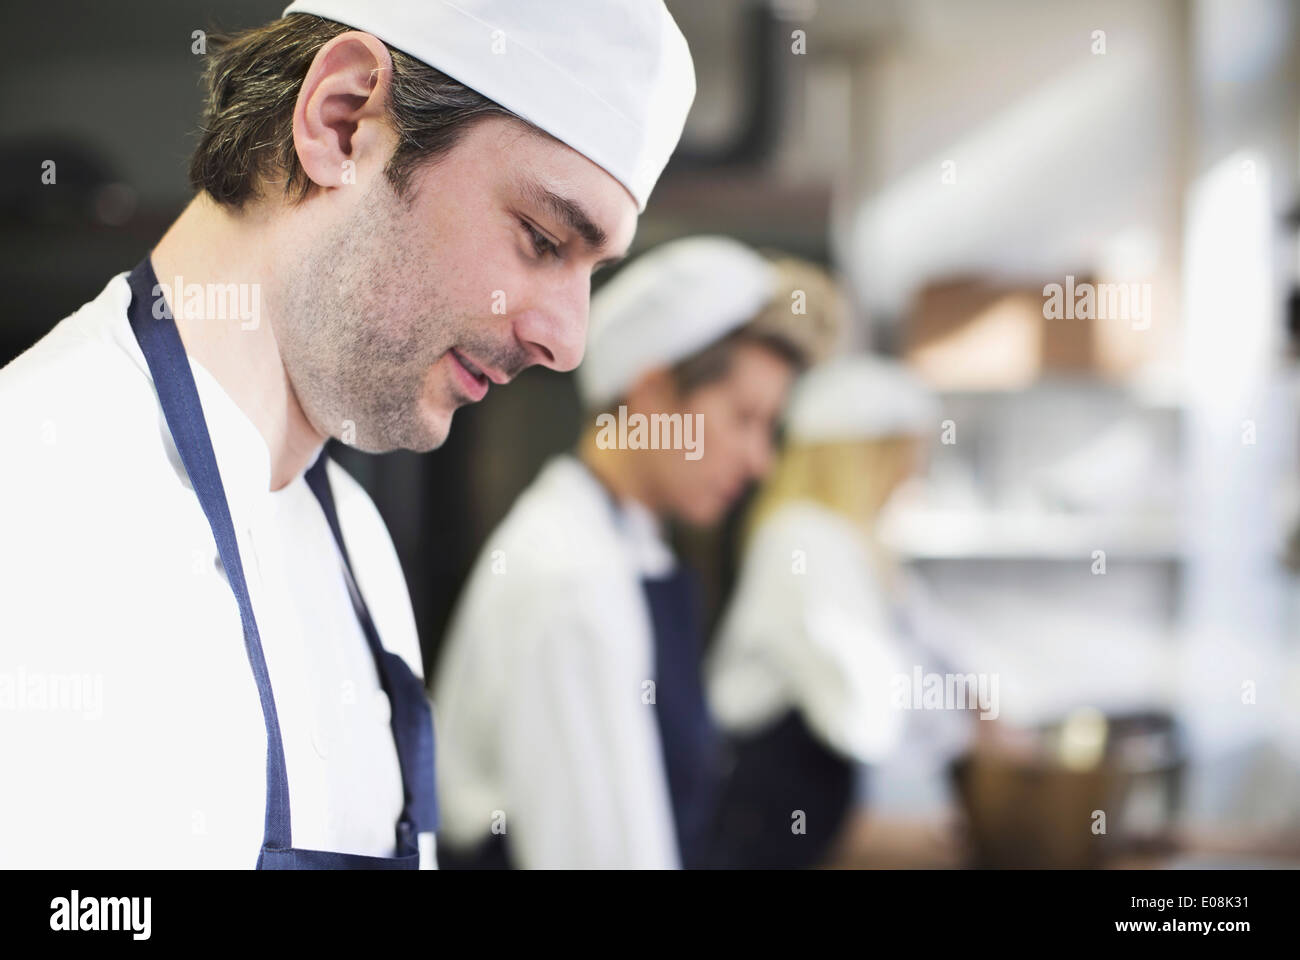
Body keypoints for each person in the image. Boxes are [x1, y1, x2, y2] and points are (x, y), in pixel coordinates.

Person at [0, 0, 695, 869]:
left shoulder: (357, 550)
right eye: (542, 237)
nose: (567, 341)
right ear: (342, 123)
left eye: (593, 273)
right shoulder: (31, 491)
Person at [433, 236, 843, 868]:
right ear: (652, 396)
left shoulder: (631, 545)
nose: (761, 460)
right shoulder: (571, 581)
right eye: (744, 417)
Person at [705, 354, 960, 868]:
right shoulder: (802, 540)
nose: (915, 474)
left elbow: (940, 653)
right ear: (867, 457)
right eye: (906, 456)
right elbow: (864, 719)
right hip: (773, 833)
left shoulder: (855, 547)